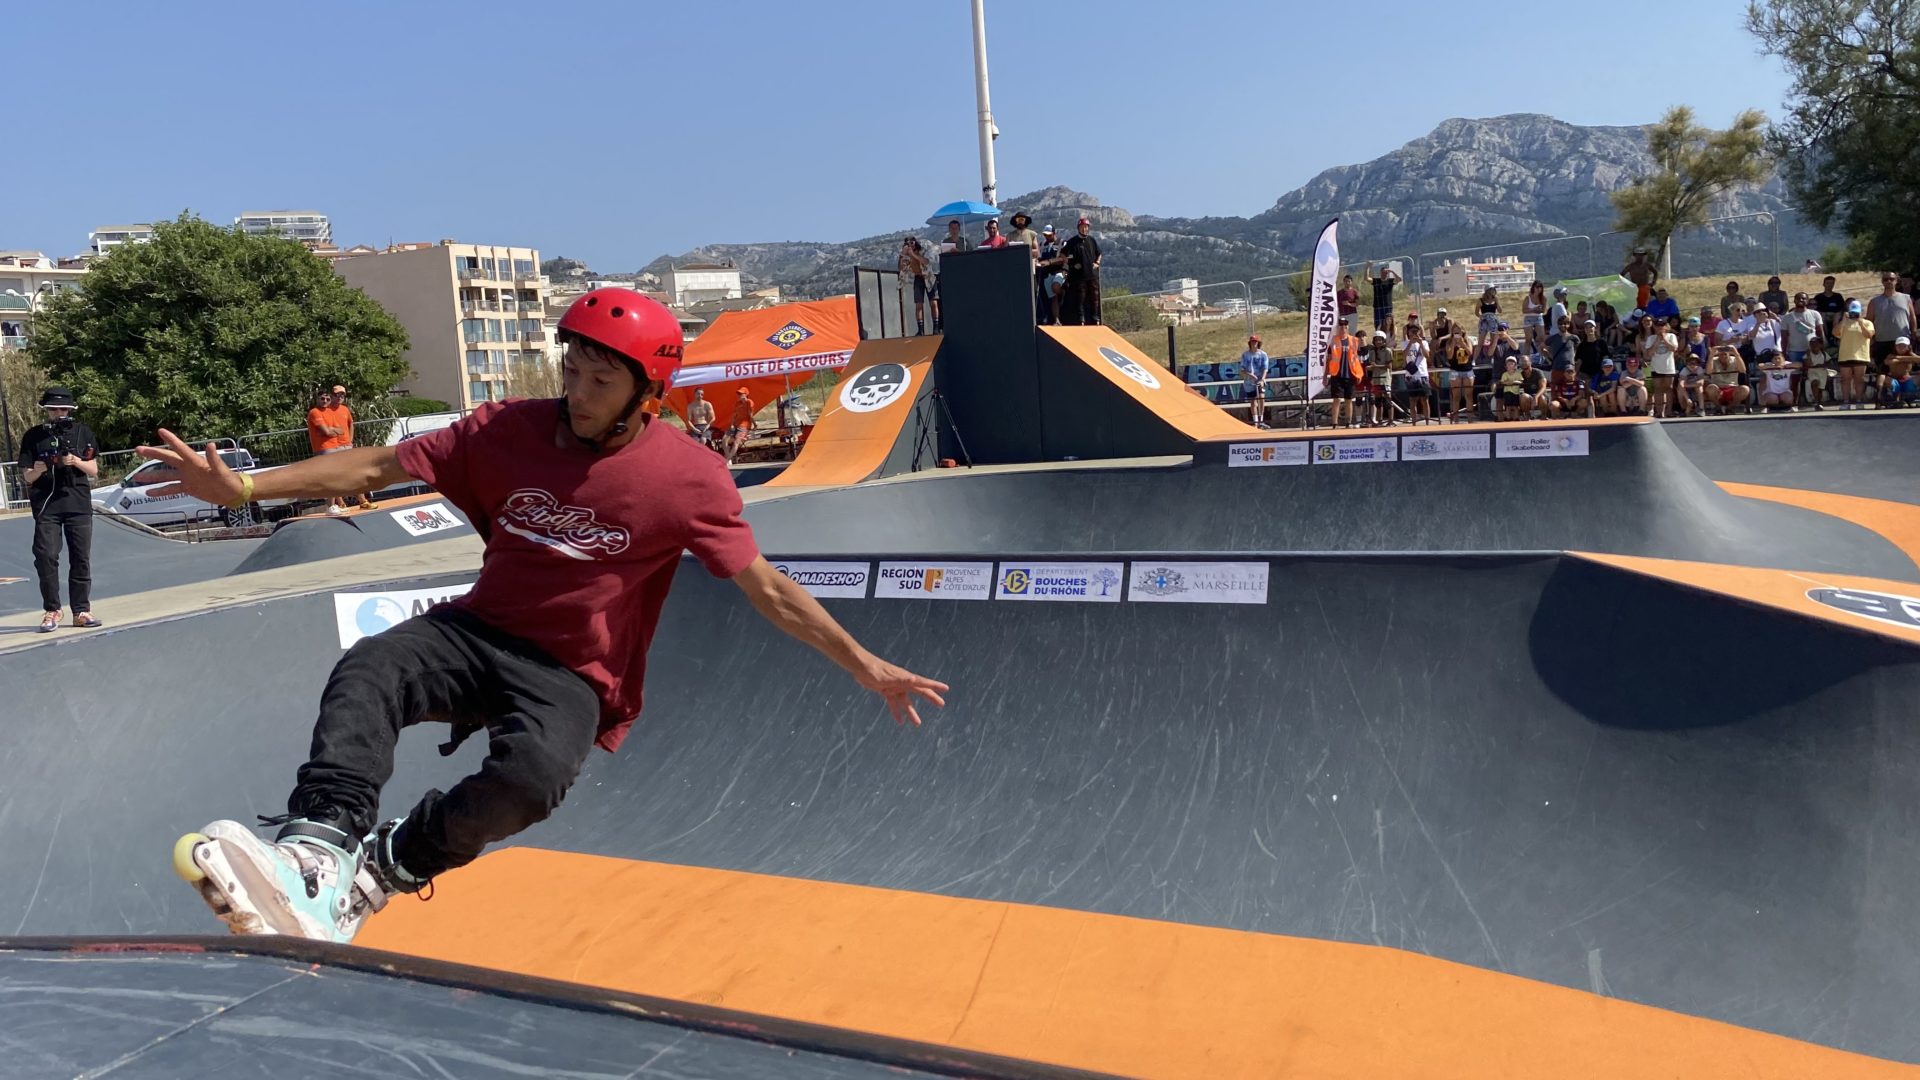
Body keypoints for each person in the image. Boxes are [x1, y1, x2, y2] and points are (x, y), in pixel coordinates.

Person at [147, 288, 947, 944]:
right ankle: (317, 850)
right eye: (573, 372)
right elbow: (378, 464)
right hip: (477, 632)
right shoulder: (506, 430)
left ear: (646, 392)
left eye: (601, 382)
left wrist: (864, 664)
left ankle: (378, 875)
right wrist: (245, 487)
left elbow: (766, 587)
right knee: (371, 667)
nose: (579, 395)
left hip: (570, 673)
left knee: (530, 783)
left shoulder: (687, 478)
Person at [19, 387, 102, 633]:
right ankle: (52, 609)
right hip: (47, 505)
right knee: (45, 556)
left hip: (77, 503)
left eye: (63, 409)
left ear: (70, 410)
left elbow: (94, 470)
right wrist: (39, 469)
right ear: (46, 410)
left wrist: (75, 461)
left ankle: (81, 610)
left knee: (80, 557)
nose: (58, 413)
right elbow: (27, 476)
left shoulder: (82, 432)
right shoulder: (34, 435)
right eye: (53, 409)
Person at [307, 385, 374, 515]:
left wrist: (346, 438)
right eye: (323, 398)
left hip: (340, 446)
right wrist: (333, 431)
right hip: (327, 448)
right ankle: (334, 505)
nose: (325, 401)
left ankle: (360, 501)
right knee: (332, 477)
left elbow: (342, 428)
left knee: (351, 473)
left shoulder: (338, 410)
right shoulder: (316, 411)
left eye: (342, 395)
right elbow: (327, 431)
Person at [1867, 270, 1917, 368]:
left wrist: (1914, 332)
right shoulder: (1874, 302)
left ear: (1896, 281)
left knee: (1904, 368)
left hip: (1902, 340)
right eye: (1886, 279)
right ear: (1882, 282)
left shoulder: (1906, 298)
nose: (1889, 281)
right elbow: (1869, 322)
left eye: (1892, 279)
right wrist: (1871, 340)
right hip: (1882, 340)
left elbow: (1912, 317)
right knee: (1883, 370)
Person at [1060, 218, 1102, 326]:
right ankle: (1081, 319)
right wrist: (1071, 264)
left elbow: (1099, 253)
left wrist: (1097, 263)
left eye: (1086, 227)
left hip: (1092, 274)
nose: (1084, 229)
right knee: (1080, 298)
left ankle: (1095, 318)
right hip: (1079, 275)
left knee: (1095, 296)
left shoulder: (1092, 240)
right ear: (1078, 228)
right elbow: (1062, 254)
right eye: (1082, 227)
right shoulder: (1072, 241)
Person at [1835, 300, 1875, 409]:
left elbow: (1869, 335)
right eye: (1852, 312)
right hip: (1845, 355)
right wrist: (1844, 320)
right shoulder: (1844, 323)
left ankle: (1859, 401)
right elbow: (1835, 333)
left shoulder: (1867, 323)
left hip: (1861, 355)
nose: (1854, 314)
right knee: (1845, 379)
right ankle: (1846, 402)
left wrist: (1860, 322)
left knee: (1859, 380)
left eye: (1856, 312)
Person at [1325, 317, 1364, 428]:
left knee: (1348, 399)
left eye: (1345, 325)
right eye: (1341, 325)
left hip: (1350, 374)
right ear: (1338, 327)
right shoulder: (1333, 340)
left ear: (1348, 327)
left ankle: (1348, 422)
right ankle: (1334, 423)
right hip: (1336, 374)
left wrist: (1359, 374)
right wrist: (1325, 375)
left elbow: (1359, 358)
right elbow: (1328, 358)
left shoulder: (1354, 340)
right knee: (1336, 399)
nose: (1343, 327)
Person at [1640, 316, 1679, 418]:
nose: (1660, 328)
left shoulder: (1671, 336)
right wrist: (1657, 340)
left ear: (1666, 326)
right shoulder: (1651, 338)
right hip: (1656, 368)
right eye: (1658, 326)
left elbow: (1674, 349)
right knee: (1658, 390)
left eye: (1662, 325)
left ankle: (1669, 411)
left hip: (1668, 367)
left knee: (1669, 389)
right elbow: (1649, 353)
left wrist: (1664, 339)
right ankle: (1659, 412)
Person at [897, 237, 932, 336]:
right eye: (907, 243)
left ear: (915, 242)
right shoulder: (906, 255)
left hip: (928, 276)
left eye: (912, 242)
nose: (910, 245)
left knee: (933, 302)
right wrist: (902, 255)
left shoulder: (922, 251)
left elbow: (926, 261)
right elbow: (900, 268)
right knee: (918, 304)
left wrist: (913, 255)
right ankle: (920, 330)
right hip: (917, 278)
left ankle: (936, 328)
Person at [1362, 330, 1396, 426]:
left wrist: (1375, 366)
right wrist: (1369, 367)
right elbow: (1372, 365)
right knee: (1378, 401)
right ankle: (1379, 420)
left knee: (1388, 400)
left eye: (1380, 340)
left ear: (1383, 340)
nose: (1378, 342)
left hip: (1385, 379)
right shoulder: (1372, 352)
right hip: (1376, 379)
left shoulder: (1388, 351)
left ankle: (1390, 420)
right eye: (1376, 340)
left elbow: (1389, 366)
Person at [1705, 343, 1751, 414]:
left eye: (1725, 354)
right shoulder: (1713, 360)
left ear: (1729, 354)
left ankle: (1730, 408)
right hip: (1718, 389)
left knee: (1745, 389)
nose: (1723, 356)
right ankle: (1719, 408)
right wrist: (1711, 355)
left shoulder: (1735, 359)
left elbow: (1743, 370)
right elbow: (1708, 372)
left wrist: (1736, 353)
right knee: (1710, 388)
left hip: (1732, 389)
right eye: (1721, 354)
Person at [1402, 324, 1432, 424]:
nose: (1414, 334)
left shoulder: (1424, 343)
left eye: (1416, 332)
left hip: (1422, 374)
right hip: (1411, 375)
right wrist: (1410, 343)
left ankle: (1427, 422)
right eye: (1412, 332)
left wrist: (1421, 343)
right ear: (1408, 333)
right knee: (1412, 400)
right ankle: (1414, 422)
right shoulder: (1405, 343)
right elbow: (1404, 355)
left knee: (1425, 400)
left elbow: (1427, 355)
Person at [1240, 335, 1272, 429]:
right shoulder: (1245, 355)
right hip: (1249, 382)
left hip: (1259, 379)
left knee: (1261, 398)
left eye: (1255, 342)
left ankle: (1261, 420)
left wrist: (1262, 379)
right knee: (1253, 402)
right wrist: (1250, 375)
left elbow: (1265, 368)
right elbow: (1242, 369)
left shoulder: (1263, 354)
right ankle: (1256, 422)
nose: (1254, 343)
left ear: (1258, 343)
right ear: (1250, 343)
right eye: (1252, 342)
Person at [1444, 327, 1475, 423]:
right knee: (1456, 396)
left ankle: (1470, 419)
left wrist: (1463, 344)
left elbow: (1470, 353)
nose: (1457, 334)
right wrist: (1453, 344)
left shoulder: (1467, 340)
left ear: (1462, 332)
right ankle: (1456, 419)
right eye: (1455, 333)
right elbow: (1449, 356)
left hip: (1467, 370)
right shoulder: (1449, 342)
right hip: (1455, 370)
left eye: (1458, 332)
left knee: (1469, 395)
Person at [1036, 225, 1065, 325]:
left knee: (1055, 287)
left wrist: (1050, 262)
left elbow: (1063, 258)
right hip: (1047, 275)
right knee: (1053, 297)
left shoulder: (1062, 243)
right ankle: (1056, 320)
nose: (1047, 237)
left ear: (1054, 233)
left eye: (1049, 235)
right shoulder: (1042, 245)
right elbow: (1039, 258)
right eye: (1045, 235)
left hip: (1059, 272)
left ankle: (1063, 292)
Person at [1879, 337, 1918, 407]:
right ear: (1895, 347)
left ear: (1908, 347)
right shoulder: (1891, 355)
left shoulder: (1911, 354)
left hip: (1907, 380)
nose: (1901, 348)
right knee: (1883, 377)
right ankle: (1889, 398)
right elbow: (1887, 362)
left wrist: (1900, 358)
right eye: (1899, 346)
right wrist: (1908, 359)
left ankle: (1910, 397)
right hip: (1895, 380)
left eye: (1904, 346)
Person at [723, 385, 757, 461]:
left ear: (746, 394)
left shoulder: (749, 402)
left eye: (741, 393)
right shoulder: (737, 403)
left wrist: (755, 425)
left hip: (744, 425)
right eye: (738, 394)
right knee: (724, 439)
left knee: (736, 442)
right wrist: (732, 424)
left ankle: (727, 460)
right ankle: (728, 457)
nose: (739, 395)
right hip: (736, 424)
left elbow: (750, 415)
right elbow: (734, 415)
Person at [1366, 261, 1400, 331]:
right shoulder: (1376, 281)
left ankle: (1389, 336)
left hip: (1388, 306)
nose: (1384, 274)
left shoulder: (1390, 281)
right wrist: (1368, 267)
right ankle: (1379, 336)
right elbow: (1366, 278)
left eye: (1386, 273)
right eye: (1383, 272)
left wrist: (1392, 271)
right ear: (1380, 273)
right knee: (1378, 324)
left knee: (1389, 324)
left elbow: (1399, 279)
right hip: (1378, 306)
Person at [1521, 281, 1548, 356]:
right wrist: (1534, 309)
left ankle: (1543, 356)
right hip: (1529, 318)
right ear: (1533, 288)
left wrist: (1535, 310)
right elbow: (1524, 310)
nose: (1538, 289)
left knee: (1542, 338)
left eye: (1540, 287)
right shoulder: (1528, 298)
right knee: (1528, 339)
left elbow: (1543, 310)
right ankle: (1526, 356)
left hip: (1538, 318)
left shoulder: (1543, 298)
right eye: (1537, 287)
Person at [1496, 356, 1525, 421]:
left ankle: (1516, 418)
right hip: (1507, 392)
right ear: (1506, 366)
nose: (1510, 365)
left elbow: (1521, 381)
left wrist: (1513, 382)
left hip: (1516, 393)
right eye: (1508, 364)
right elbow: (1503, 382)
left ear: (1515, 366)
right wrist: (1509, 382)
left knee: (1516, 406)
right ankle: (1508, 418)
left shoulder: (1518, 374)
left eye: (1512, 364)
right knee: (1508, 406)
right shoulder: (1504, 374)